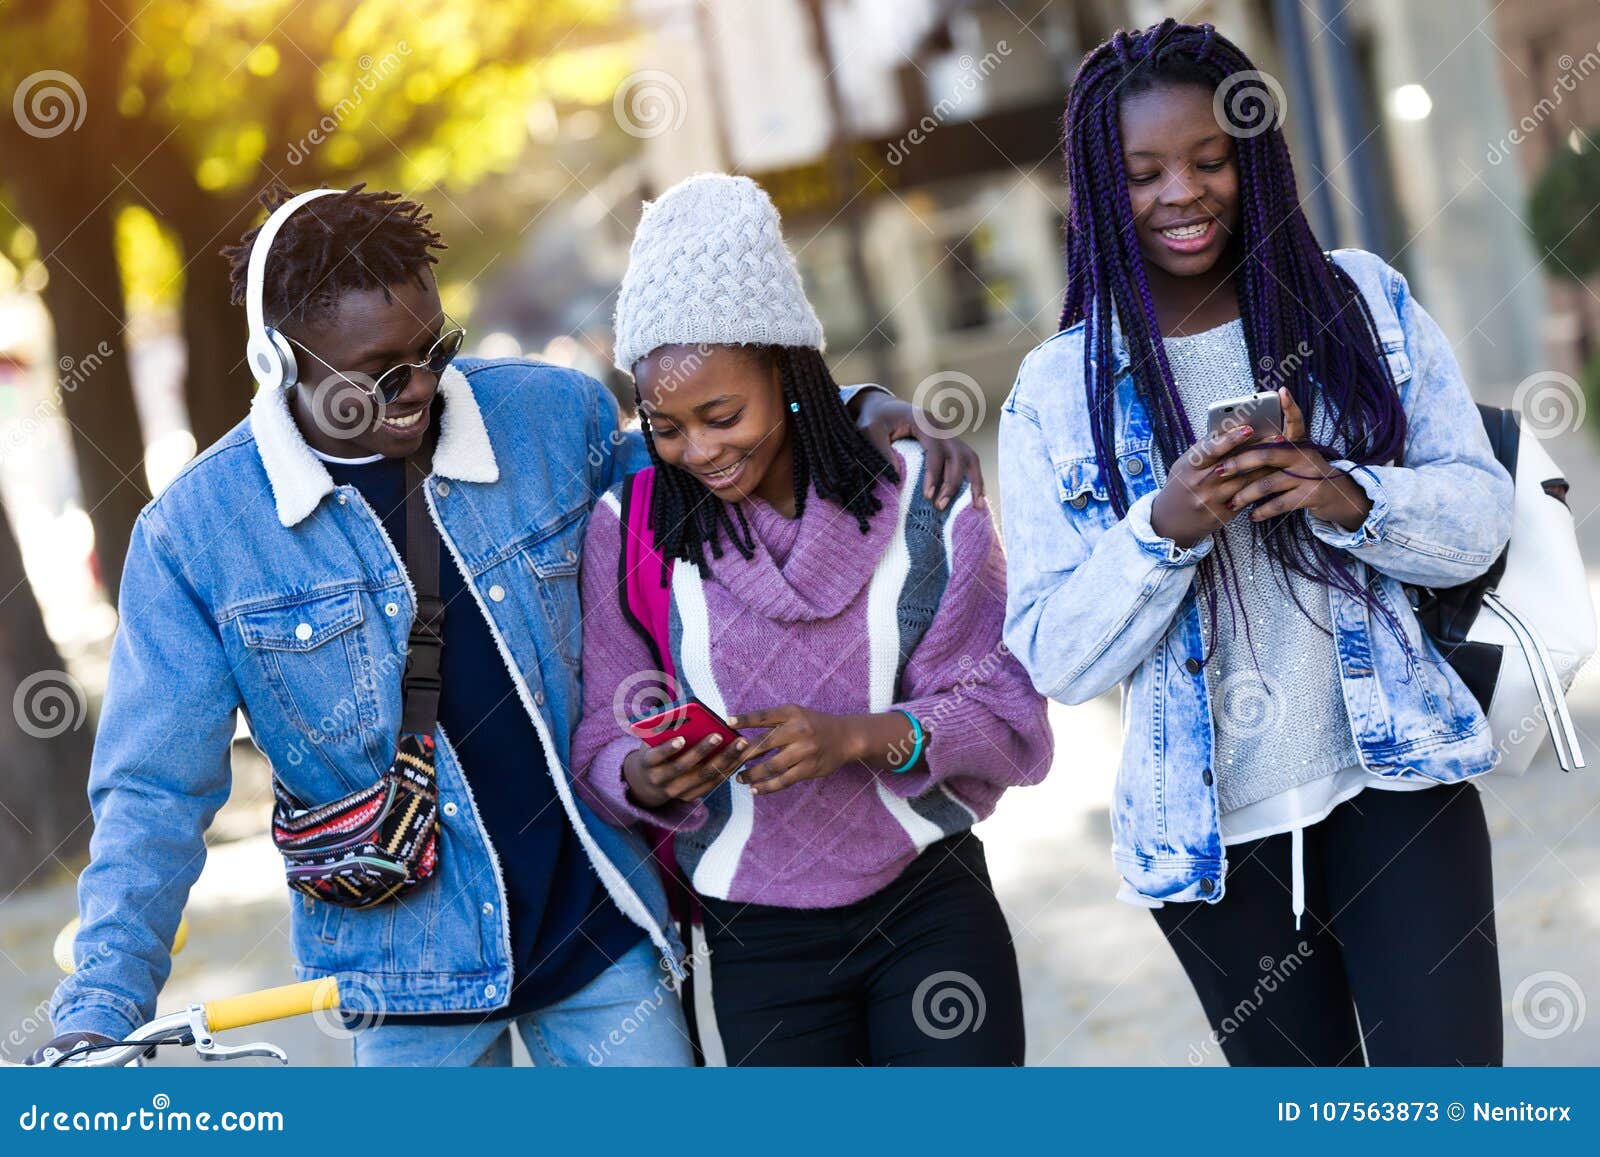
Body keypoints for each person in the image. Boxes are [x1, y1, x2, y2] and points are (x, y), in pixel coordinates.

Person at [34, 182, 983, 1067]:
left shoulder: (548, 416)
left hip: (601, 931)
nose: (419, 388)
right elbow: (153, 789)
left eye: (433, 351)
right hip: (406, 978)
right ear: (280, 361)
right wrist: (101, 1007)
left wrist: (846, 410)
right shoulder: (197, 537)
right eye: (380, 373)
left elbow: (697, 478)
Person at [998, 21, 1513, 1066]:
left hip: (1396, 785)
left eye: (1207, 158)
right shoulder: (1059, 389)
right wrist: (1161, 529)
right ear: (1103, 187)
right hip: (1210, 843)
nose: (1180, 193)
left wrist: (1344, 493)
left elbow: (1477, 517)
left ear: (1252, 154)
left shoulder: (1359, 301)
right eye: (1142, 173)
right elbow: (1052, 652)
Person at [571, 173, 1053, 1067]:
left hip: (928, 904)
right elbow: (601, 729)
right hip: (759, 943)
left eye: (723, 415)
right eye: (667, 426)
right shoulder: (629, 529)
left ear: (790, 373)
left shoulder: (925, 502)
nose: (701, 451)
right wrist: (645, 771)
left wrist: (862, 736)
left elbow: (1011, 714)